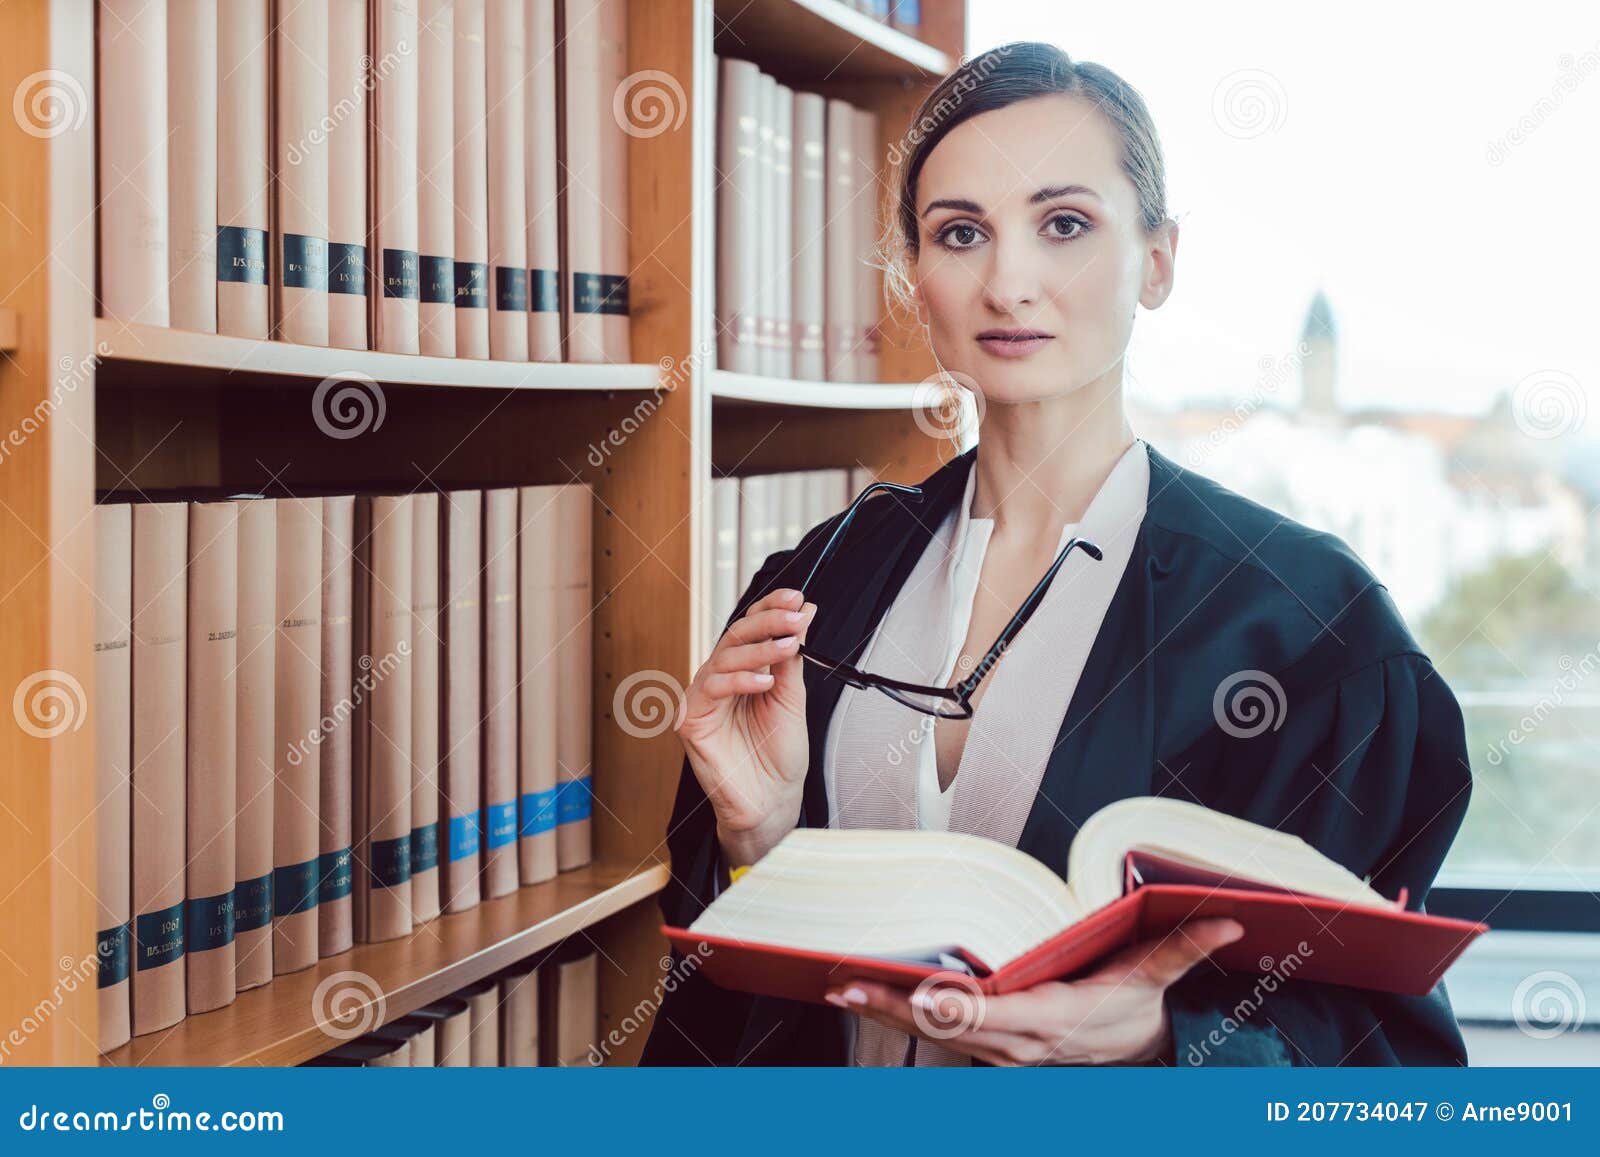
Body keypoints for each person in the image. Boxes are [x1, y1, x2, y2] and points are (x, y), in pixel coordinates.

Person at [640, 42, 1472, 1067]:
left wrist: (1169, 1041)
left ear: (1156, 260)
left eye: (1064, 224)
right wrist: (757, 841)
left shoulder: (1307, 626)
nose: (1008, 282)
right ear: (913, 276)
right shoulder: (824, 578)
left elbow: (1385, 1052)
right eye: (959, 234)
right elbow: (726, 1011)